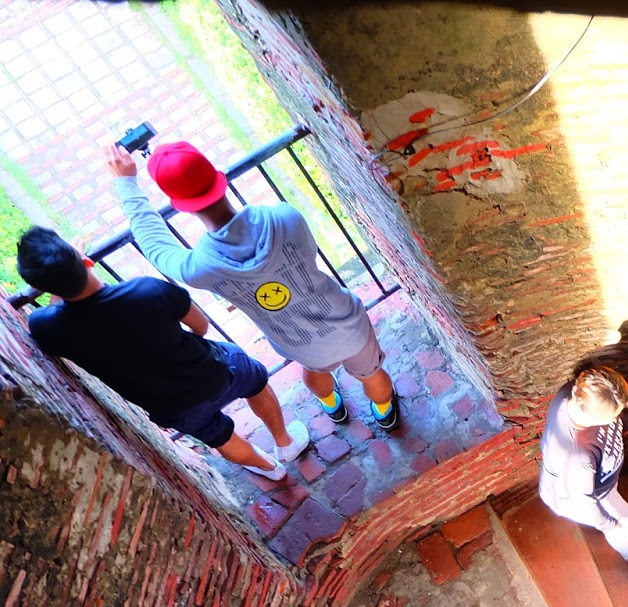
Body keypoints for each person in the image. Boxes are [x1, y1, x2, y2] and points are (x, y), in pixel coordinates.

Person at [103, 139, 403, 431]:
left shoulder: (200, 269)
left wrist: (127, 184)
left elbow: (155, 246)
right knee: (372, 374)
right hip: (348, 325)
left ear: (179, 206)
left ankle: (332, 405)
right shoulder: (286, 217)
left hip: (298, 342)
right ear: (219, 178)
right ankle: (385, 412)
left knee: (316, 372)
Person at [17, 226, 310, 479]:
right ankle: (284, 442)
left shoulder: (46, 328)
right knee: (256, 380)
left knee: (220, 437)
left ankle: (270, 468)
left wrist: (54, 282)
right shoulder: (147, 291)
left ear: (39, 288)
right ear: (86, 260)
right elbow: (201, 326)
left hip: (173, 409)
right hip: (214, 372)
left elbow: (58, 311)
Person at [538, 364, 628, 575]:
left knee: (623, 520)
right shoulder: (575, 455)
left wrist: (625, 423)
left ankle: (624, 534)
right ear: (588, 414)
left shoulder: (577, 392)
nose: (614, 419)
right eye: (612, 417)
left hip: (600, 481)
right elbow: (584, 503)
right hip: (586, 496)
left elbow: (613, 409)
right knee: (625, 519)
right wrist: (610, 525)